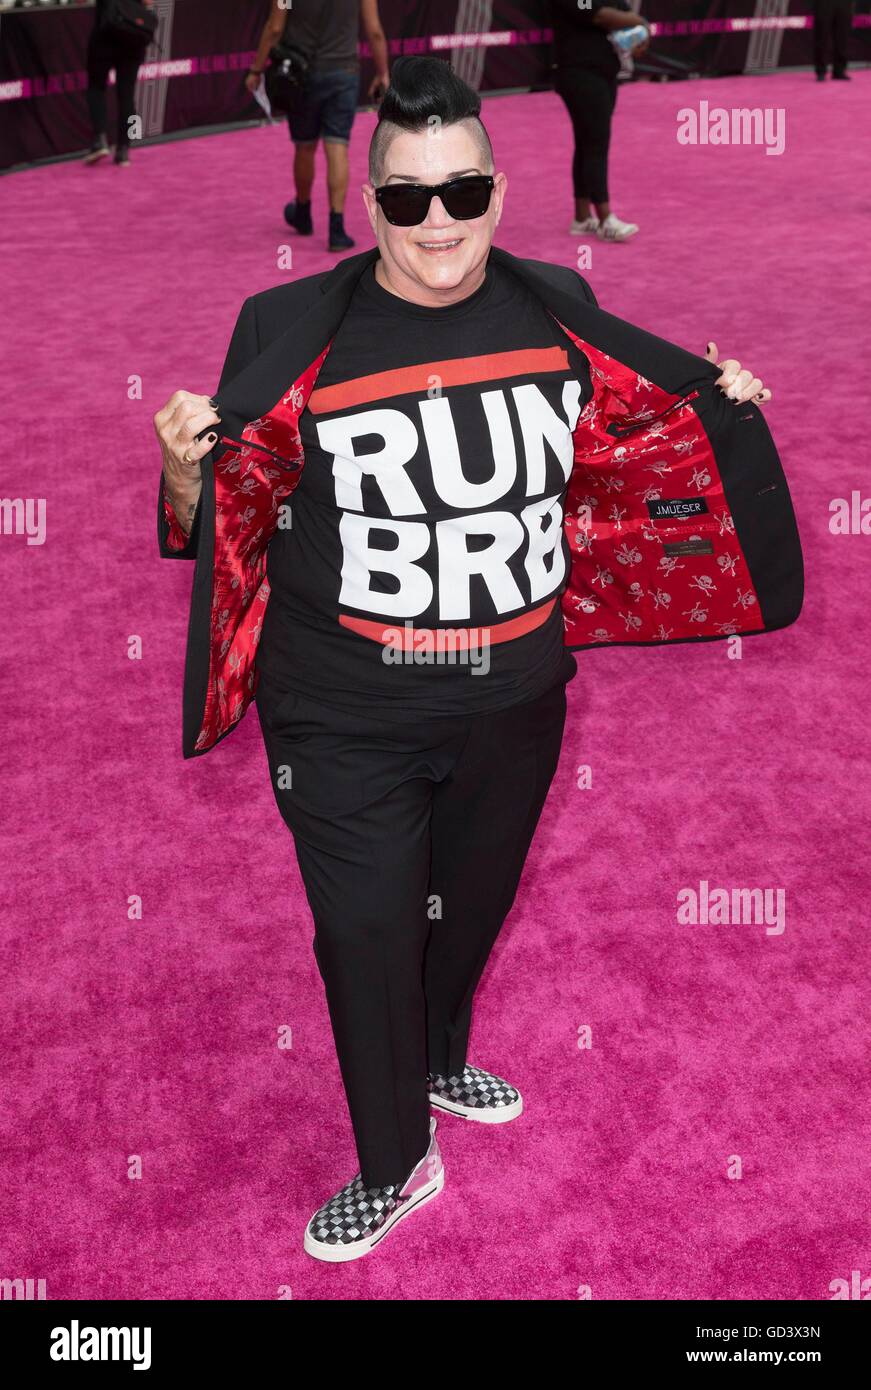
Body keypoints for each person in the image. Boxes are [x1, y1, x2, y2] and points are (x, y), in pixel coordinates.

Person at [154, 57, 799, 1263]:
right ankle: (394, 1160)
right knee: (364, 931)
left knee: (469, 909)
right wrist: (185, 467)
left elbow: (639, 428)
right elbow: (217, 508)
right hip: (340, 703)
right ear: (369, 202)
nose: (437, 224)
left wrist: (724, 409)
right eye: (405, 199)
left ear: (499, 195)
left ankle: (441, 1051)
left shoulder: (560, 306)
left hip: (515, 697)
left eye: (461, 194)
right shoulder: (286, 325)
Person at [247, 0, 390, 252]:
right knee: (337, 146)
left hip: (302, 74)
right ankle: (337, 229)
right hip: (344, 73)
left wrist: (256, 69)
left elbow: (275, 28)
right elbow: (375, 30)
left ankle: (303, 212)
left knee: (304, 147)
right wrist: (383, 72)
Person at [549, 0, 649, 241]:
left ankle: (582, 218)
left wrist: (640, 35)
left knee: (586, 143)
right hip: (579, 73)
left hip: (604, 74)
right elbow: (601, 15)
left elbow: (622, 10)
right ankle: (606, 220)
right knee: (596, 143)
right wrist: (642, 23)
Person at [83, 0, 154, 168]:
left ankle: (100, 139)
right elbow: (149, 1)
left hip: (105, 34)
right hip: (132, 34)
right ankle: (124, 150)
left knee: (96, 88)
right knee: (127, 96)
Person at [813, 0, 854, 80]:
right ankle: (821, 71)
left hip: (844, 3)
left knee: (842, 37)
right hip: (824, 3)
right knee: (822, 36)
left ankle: (839, 70)